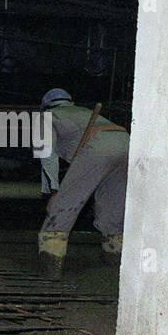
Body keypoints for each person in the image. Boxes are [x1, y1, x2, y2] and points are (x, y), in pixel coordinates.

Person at [35, 88, 129, 279]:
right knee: (113, 207)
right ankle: (114, 260)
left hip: (96, 148)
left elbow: (46, 154)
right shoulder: (83, 112)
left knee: (64, 205)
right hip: (126, 143)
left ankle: (51, 264)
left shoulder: (45, 118)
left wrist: (52, 190)